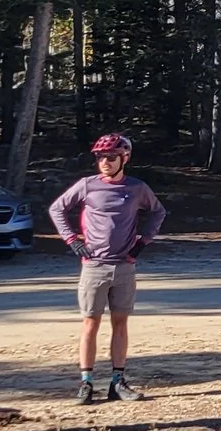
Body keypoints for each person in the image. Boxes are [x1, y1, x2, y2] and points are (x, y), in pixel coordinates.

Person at [49, 133, 167, 405]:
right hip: (94, 267)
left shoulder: (137, 188)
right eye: (100, 157)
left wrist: (142, 243)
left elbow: (158, 212)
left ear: (124, 159)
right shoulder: (87, 185)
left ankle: (118, 382)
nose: (104, 162)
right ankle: (86, 383)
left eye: (111, 157)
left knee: (120, 324)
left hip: (124, 267)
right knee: (90, 324)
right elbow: (58, 209)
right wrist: (72, 240)